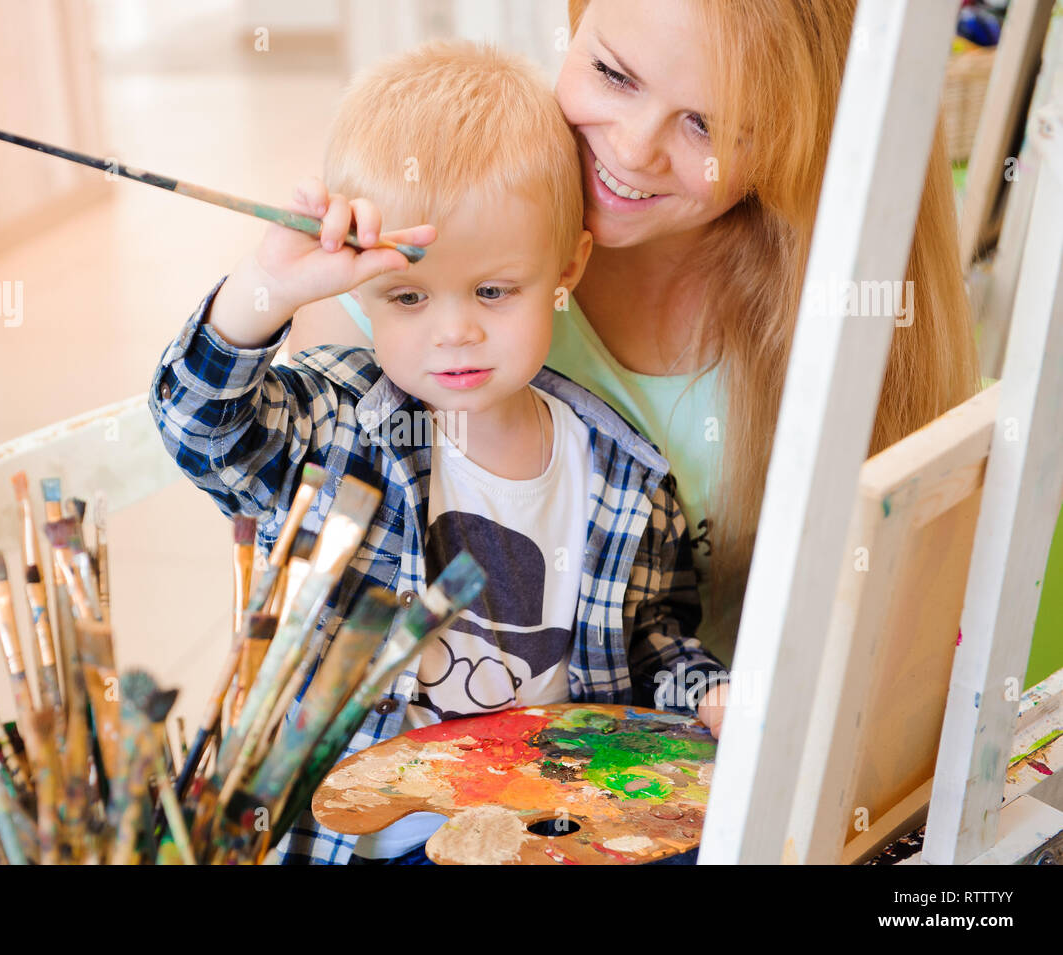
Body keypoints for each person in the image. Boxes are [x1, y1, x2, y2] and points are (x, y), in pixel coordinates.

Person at [150, 40, 728, 865]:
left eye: (493, 291)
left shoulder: (625, 475)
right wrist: (264, 291)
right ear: (359, 288)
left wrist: (713, 694)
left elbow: (654, 644)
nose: (454, 330)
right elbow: (198, 426)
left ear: (566, 266)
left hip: (559, 830)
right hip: (379, 841)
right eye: (409, 296)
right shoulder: (340, 428)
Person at [288, 0, 982, 675]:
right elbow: (289, 615)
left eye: (705, 126)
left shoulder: (834, 313)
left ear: (786, 147)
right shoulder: (398, 271)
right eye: (614, 75)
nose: (630, 148)